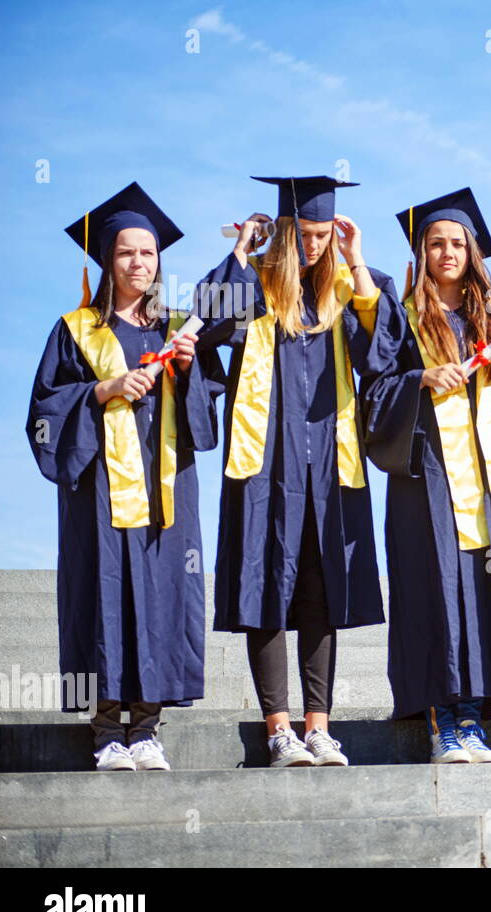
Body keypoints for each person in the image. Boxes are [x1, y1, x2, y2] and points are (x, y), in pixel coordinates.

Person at [195, 175, 389, 768]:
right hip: (264, 461)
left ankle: (319, 726)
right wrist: (240, 251)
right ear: (283, 231)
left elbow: (381, 350)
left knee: (323, 589)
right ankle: (279, 728)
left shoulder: (347, 288)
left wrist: (356, 262)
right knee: (264, 585)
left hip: (331, 458)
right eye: (301, 233)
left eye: (322, 234)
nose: (311, 244)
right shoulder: (254, 287)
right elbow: (205, 319)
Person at [28, 182, 221, 771]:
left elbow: (207, 415)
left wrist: (187, 375)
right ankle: (107, 729)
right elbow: (41, 413)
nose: (139, 262)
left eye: (149, 252)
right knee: (103, 597)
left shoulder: (179, 330)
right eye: (125, 253)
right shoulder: (76, 330)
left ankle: (147, 728)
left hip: (166, 494)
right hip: (100, 497)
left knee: (162, 597)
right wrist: (102, 390)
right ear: (107, 261)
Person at [363, 187, 491, 764]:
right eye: (436, 243)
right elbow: (371, 396)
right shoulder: (399, 320)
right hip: (426, 480)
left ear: (473, 253)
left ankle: (474, 717)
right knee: (434, 592)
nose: (447, 252)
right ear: (421, 253)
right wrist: (418, 382)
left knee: (484, 588)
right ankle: (443, 720)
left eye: (457, 244)